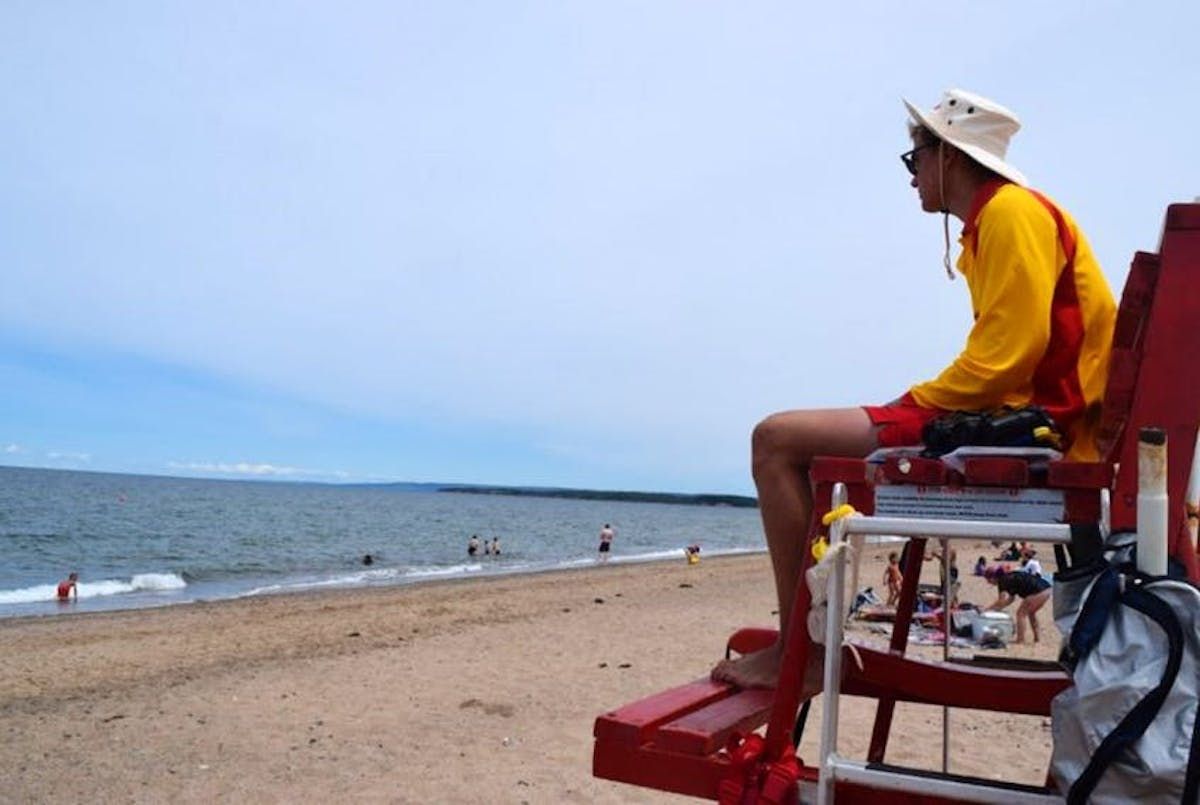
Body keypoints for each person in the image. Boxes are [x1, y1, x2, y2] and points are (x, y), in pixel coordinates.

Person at [712, 88, 1116, 689]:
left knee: (775, 441)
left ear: (949, 155)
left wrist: (914, 403)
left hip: (1044, 429)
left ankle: (799, 655)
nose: (912, 177)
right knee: (795, 439)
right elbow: (1011, 356)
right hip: (1047, 422)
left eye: (915, 158)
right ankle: (808, 637)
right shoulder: (1003, 220)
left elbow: (1006, 358)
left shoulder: (1010, 212)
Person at [983, 566, 1052, 643]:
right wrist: (996, 608)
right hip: (1046, 589)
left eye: (988, 580)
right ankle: (1037, 639)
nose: (989, 583)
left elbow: (1001, 601)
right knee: (1031, 613)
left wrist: (988, 609)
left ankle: (1020, 639)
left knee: (1020, 614)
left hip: (1037, 591)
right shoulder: (1008, 577)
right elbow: (1010, 599)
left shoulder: (1002, 581)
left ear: (992, 578)